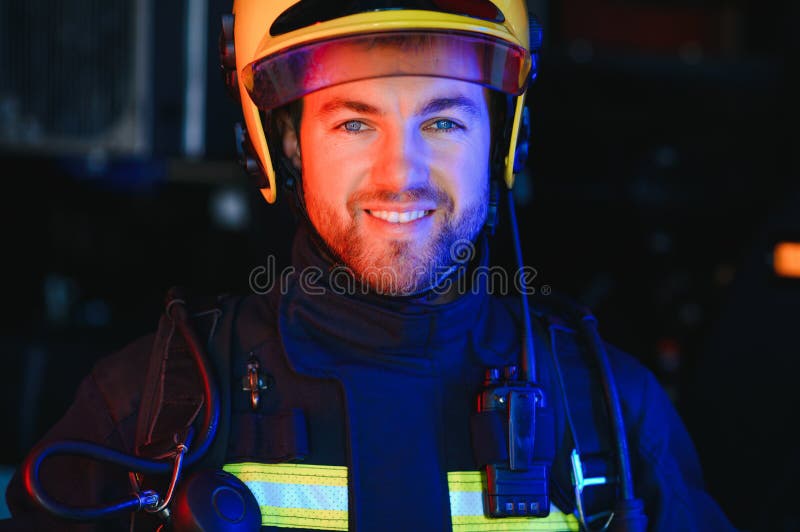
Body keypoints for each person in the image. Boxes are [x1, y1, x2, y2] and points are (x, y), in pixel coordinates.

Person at [4, 1, 738, 531]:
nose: (402, 173)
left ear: (504, 142)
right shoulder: (144, 413)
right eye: (356, 122)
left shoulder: (613, 416)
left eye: (443, 120)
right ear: (284, 146)